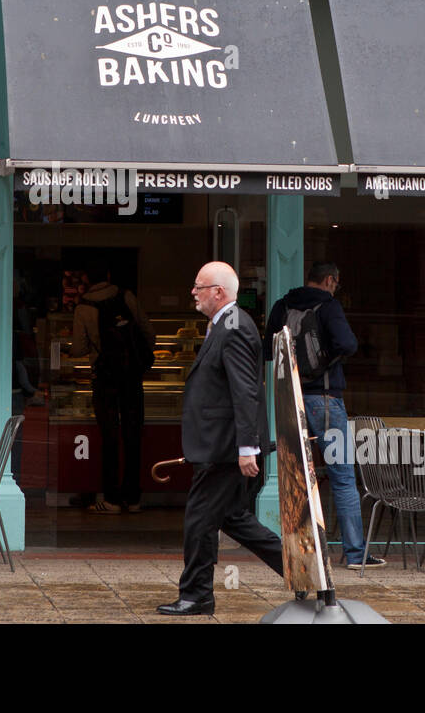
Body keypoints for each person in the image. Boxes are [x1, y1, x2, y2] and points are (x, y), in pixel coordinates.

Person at [158, 260, 285, 616]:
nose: (193, 293)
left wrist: (247, 448)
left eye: (199, 287)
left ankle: (196, 595)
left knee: (199, 520)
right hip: (220, 446)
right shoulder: (225, 325)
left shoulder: (234, 327)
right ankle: (300, 571)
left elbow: (245, 392)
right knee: (233, 518)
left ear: (218, 292)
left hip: (225, 450)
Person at [263, 261, 384, 570]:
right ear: (330, 280)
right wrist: (322, 364)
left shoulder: (282, 305)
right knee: (342, 477)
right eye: (336, 283)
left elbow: (268, 349)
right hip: (325, 402)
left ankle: (303, 552)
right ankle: (355, 555)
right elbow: (348, 344)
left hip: (290, 399)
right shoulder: (329, 306)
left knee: (298, 477)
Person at [71, 259, 155, 514]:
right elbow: (149, 333)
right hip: (131, 377)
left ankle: (111, 499)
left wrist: (94, 346)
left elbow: (78, 349)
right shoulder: (126, 296)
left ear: (87, 280)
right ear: (108, 274)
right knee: (132, 435)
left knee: (109, 438)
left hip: (104, 377)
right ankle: (133, 498)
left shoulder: (83, 307)